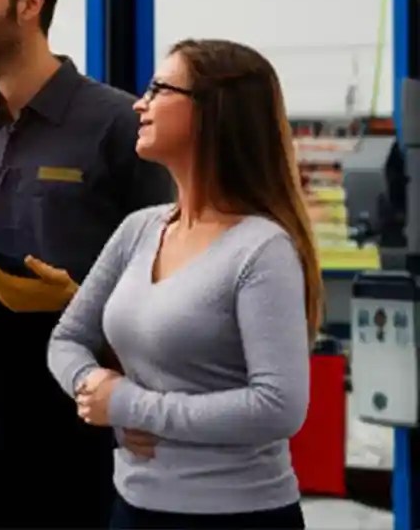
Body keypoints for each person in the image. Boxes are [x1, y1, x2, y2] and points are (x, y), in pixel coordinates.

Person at [0, 0, 173, 529]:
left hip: (74, 392)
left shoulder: (119, 125)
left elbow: (165, 275)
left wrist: (143, 397)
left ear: (31, 3)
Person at [46, 39, 321, 529]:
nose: (139, 102)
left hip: (234, 516)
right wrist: (93, 386)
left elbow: (278, 408)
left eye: (159, 89)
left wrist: (133, 406)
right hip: (133, 506)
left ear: (212, 112)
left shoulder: (261, 250)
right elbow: (67, 339)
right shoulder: (140, 230)